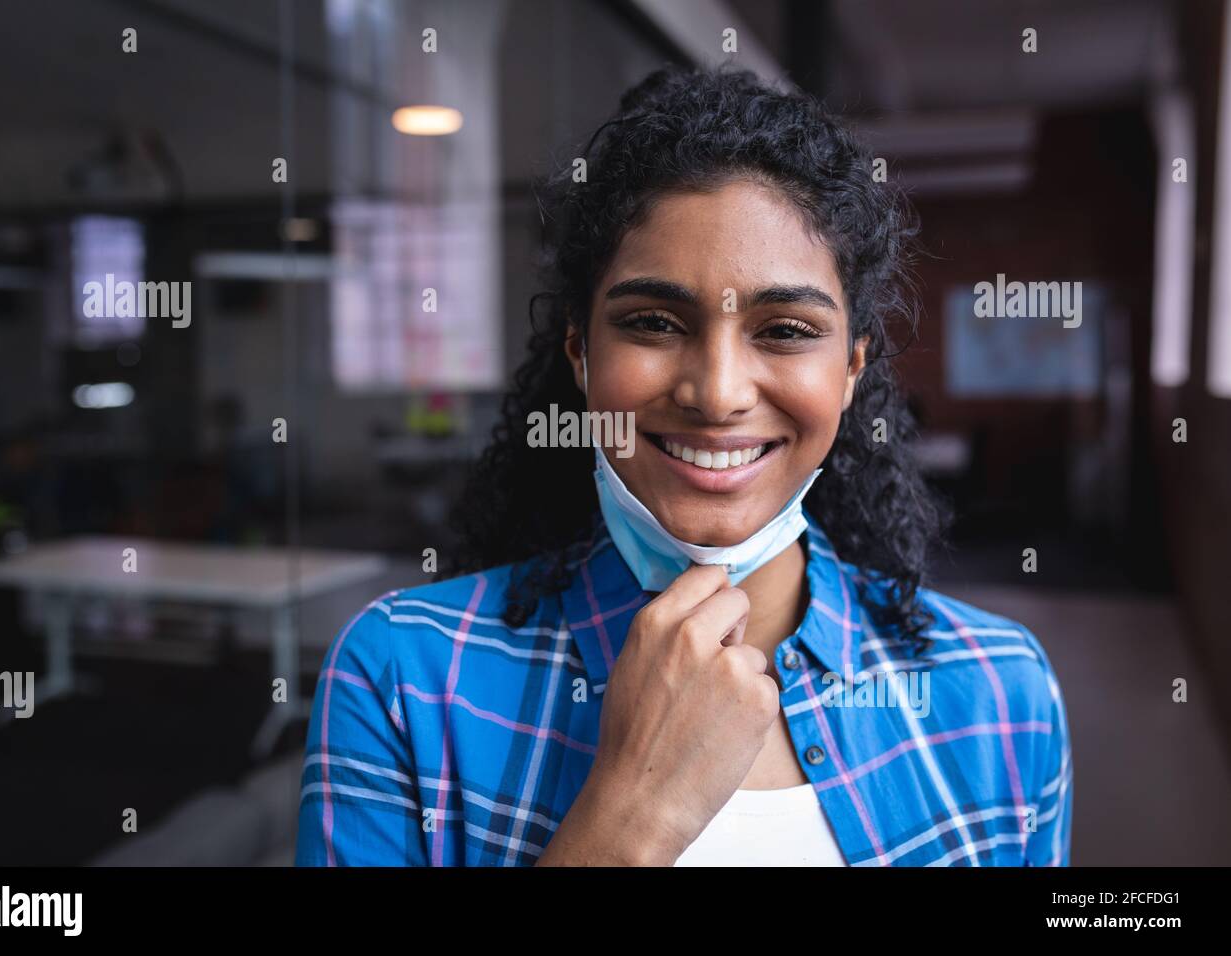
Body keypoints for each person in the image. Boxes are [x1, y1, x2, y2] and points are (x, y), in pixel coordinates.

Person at [295, 65, 1073, 867]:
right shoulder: (404, 682)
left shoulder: (1000, 696)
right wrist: (632, 815)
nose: (718, 394)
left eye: (785, 330)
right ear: (580, 352)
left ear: (850, 369)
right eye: (655, 322)